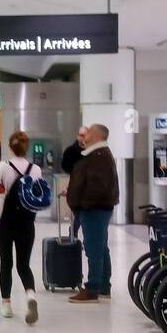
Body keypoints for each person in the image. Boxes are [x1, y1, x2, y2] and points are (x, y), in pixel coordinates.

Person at [0, 130, 42, 323]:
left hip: (5, 222)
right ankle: (31, 297)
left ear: (10, 148)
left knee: (6, 263)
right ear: (26, 147)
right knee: (23, 264)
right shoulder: (35, 169)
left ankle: (6, 305)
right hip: (27, 223)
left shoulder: (3, 167)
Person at [65, 123, 120, 303]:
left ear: (96, 135)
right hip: (96, 208)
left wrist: (83, 204)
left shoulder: (99, 155)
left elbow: (98, 186)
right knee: (100, 247)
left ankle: (93, 288)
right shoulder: (96, 153)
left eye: (88, 132)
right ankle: (103, 285)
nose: (85, 134)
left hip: (94, 209)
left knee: (94, 248)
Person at [60, 125, 88, 237]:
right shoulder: (70, 151)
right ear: (77, 136)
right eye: (81, 135)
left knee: (83, 214)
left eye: (84, 135)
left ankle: (74, 233)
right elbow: (65, 166)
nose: (82, 138)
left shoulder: (92, 151)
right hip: (76, 187)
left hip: (89, 188)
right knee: (79, 213)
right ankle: (73, 233)